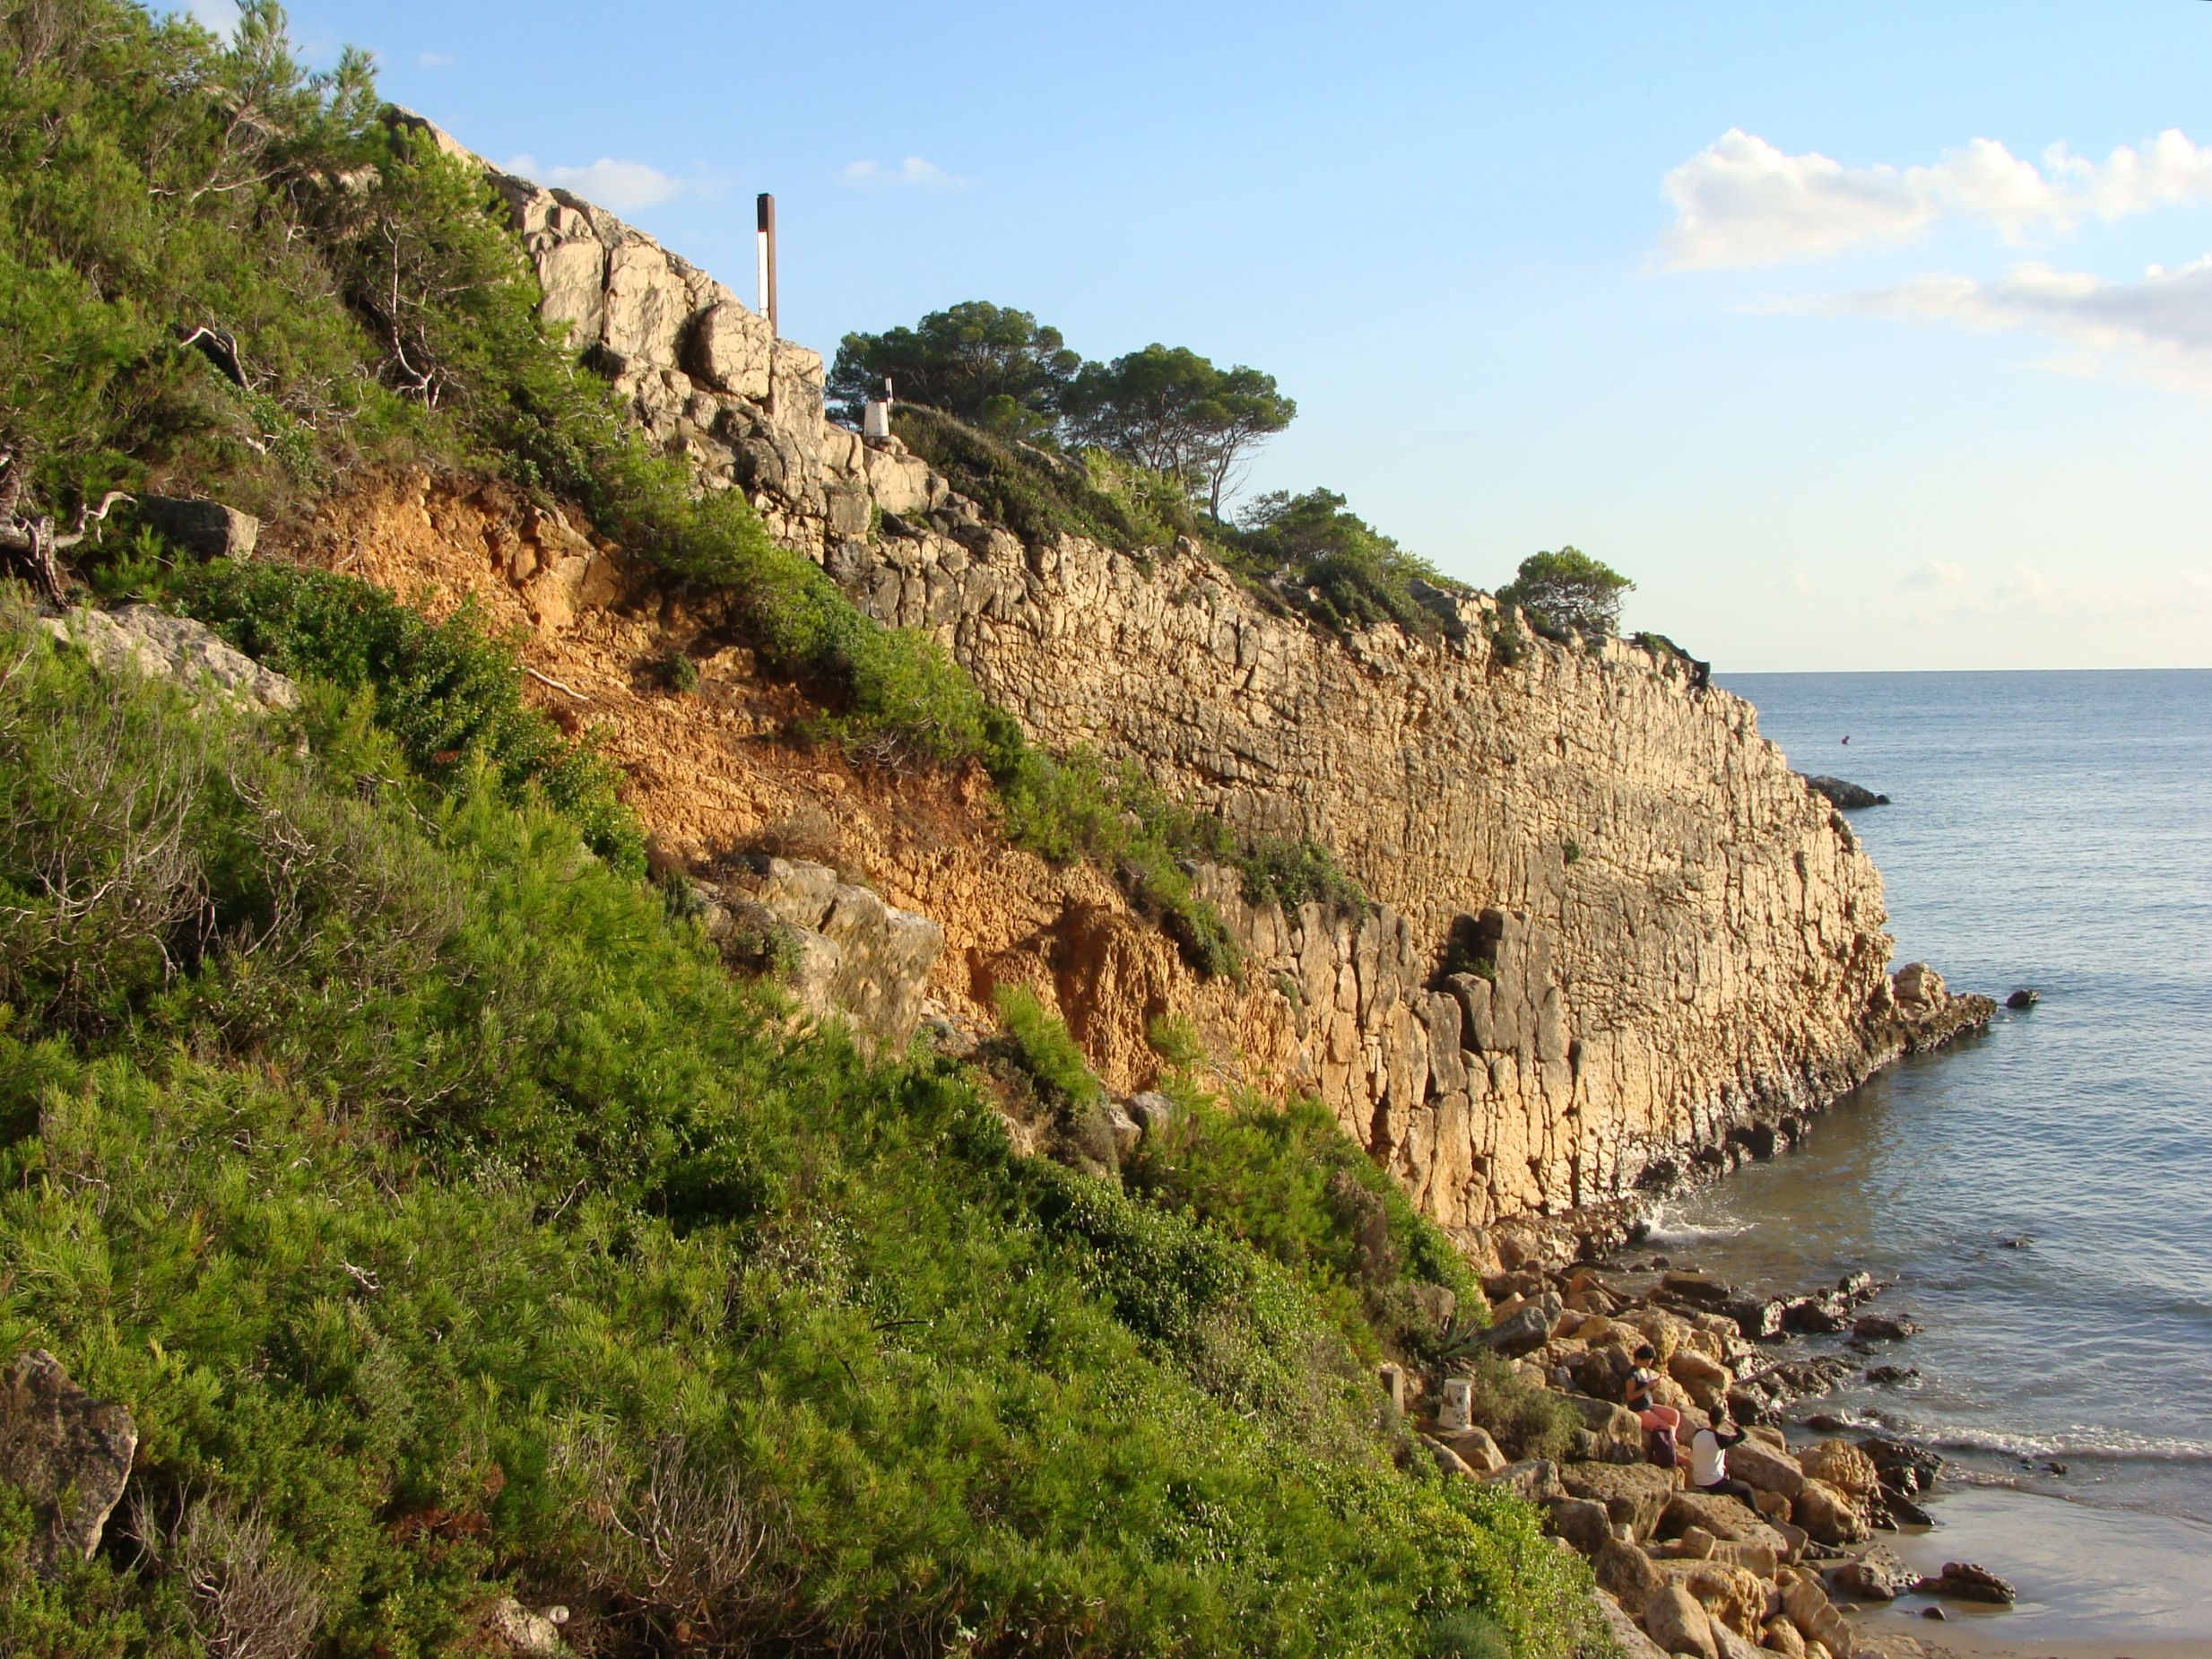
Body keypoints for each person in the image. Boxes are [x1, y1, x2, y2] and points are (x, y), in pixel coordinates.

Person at [1687, 1413, 1757, 1505]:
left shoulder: (1698, 1432)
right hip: (1714, 1484)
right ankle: (1758, 1516)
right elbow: (1743, 1435)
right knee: (1746, 1489)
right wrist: (1730, 1423)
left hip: (1698, 1480)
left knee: (1724, 1470)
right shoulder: (1720, 1439)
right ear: (1721, 1422)